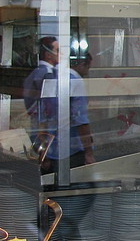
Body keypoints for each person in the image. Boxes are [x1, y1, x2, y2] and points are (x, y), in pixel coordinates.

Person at [22, 36, 95, 173]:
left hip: (48, 148)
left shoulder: (44, 77)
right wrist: (89, 152)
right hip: (69, 150)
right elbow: (80, 120)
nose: (61, 54)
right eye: (58, 50)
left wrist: (43, 152)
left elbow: (41, 119)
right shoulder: (66, 80)